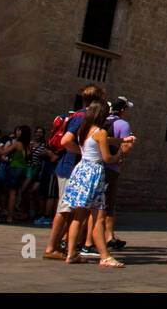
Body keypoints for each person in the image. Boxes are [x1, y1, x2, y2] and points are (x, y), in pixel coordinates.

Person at [59, 101, 134, 267]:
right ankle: (105, 256)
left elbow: (107, 140)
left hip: (81, 170)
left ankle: (71, 253)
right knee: (99, 217)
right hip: (94, 173)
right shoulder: (100, 132)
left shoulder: (83, 130)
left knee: (78, 216)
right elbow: (107, 157)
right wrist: (120, 154)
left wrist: (122, 140)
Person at [45, 84, 105, 259]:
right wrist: (83, 151)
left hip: (72, 168)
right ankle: (51, 248)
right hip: (69, 168)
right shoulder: (82, 117)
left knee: (71, 209)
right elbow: (65, 141)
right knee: (64, 209)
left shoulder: (81, 116)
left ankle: (63, 246)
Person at [100, 96, 133, 250]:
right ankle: (107, 237)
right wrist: (118, 158)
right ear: (123, 110)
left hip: (95, 166)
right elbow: (126, 146)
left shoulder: (101, 121)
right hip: (111, 168)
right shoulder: (122, 124)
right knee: (108, 204)